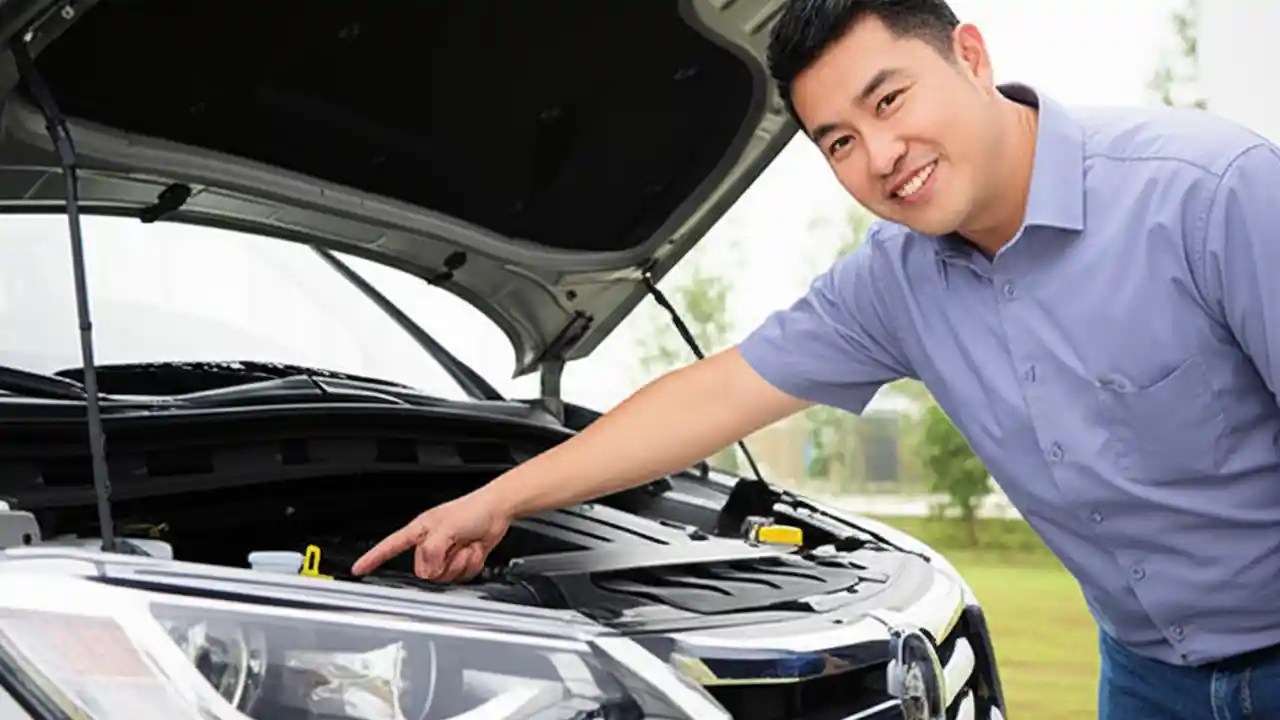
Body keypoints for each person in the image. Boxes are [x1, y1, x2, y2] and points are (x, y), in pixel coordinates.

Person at [353, 1, 1280, 717]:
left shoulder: (1209, 195)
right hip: (1146, 674)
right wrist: (494, 500)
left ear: (970, 55)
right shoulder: (894, 283)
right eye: (840, 141)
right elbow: (714, 394)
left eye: (890, 99)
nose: (882, 156)